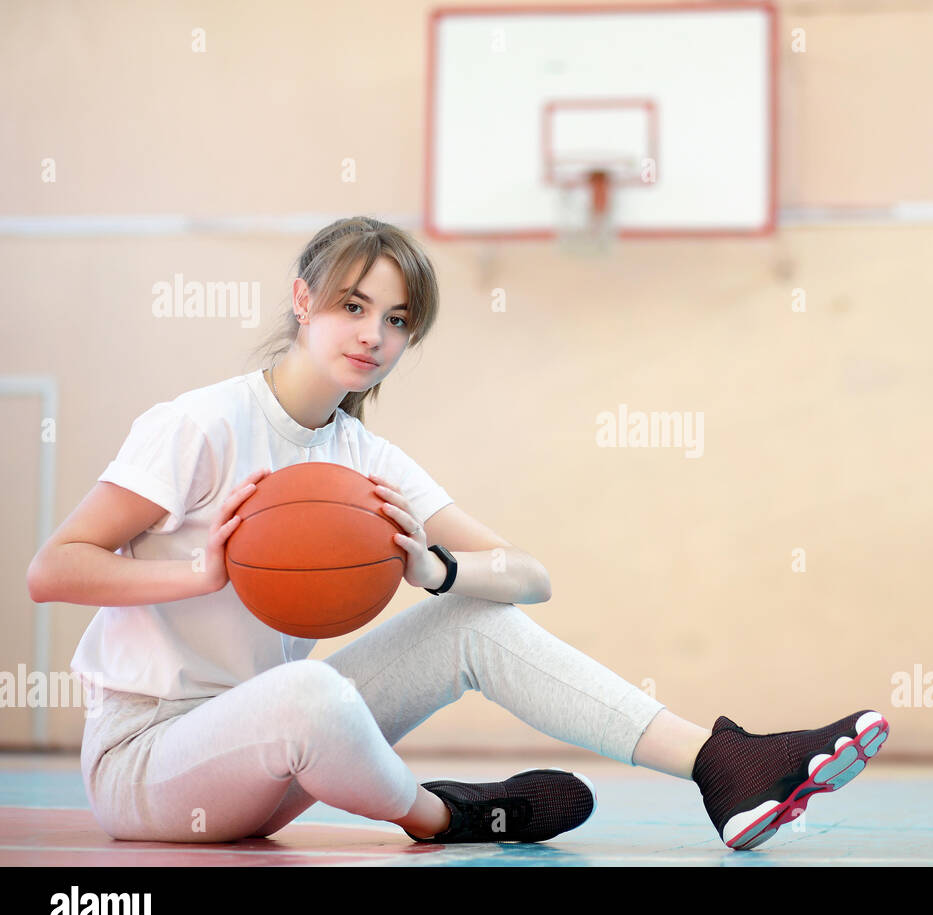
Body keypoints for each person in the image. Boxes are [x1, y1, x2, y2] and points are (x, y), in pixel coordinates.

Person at [28, 216, 889, 851]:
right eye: (353, 305)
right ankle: (445, 815)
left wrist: (434, 570)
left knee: (473, 618)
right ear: (302, 300)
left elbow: (527, 575)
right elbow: (54, 569)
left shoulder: (366, 458)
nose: (373, 334)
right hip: (149, 763)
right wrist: (200, 570)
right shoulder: (202, 425)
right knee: (312, 697)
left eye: (398, 320)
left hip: (275, 763)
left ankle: (722, 766)